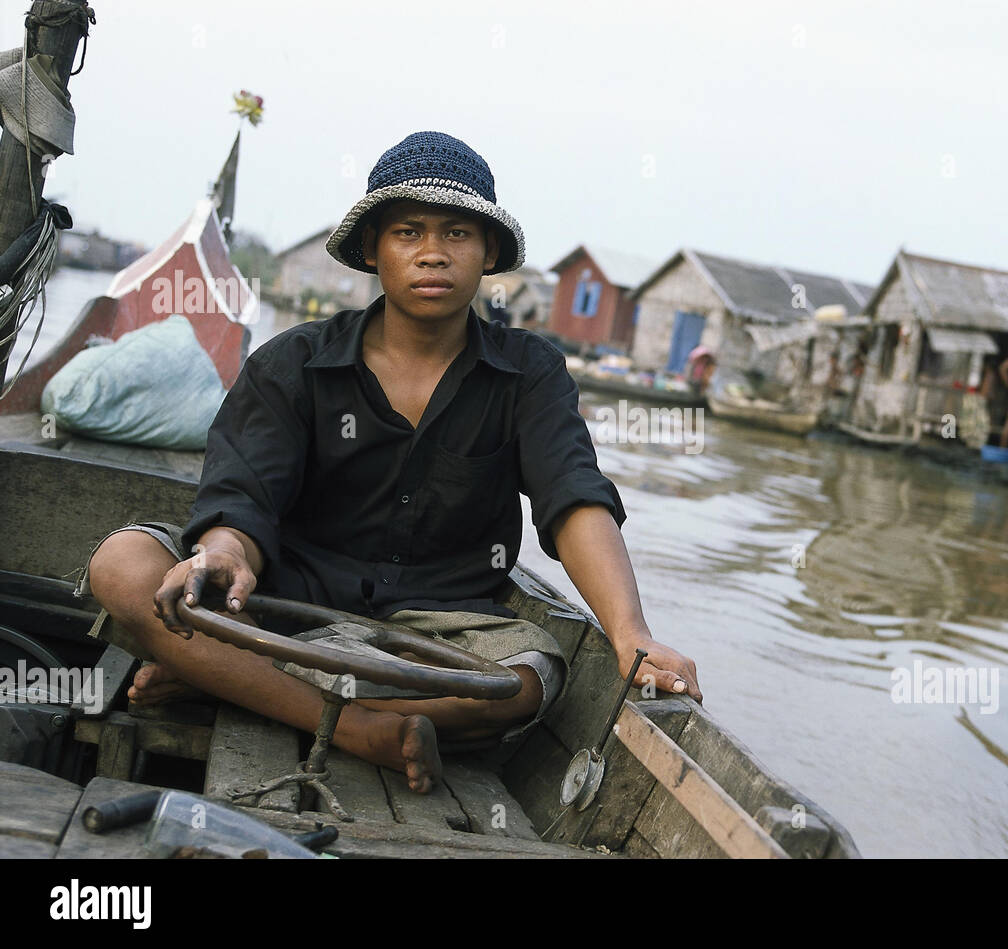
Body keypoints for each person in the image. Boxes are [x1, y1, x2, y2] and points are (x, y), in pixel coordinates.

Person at [79, 131, 702, 794]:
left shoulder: (529, 373)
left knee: (528, 679)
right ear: (373, 249)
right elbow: (244, 495)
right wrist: (227, 551)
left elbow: (573, 496)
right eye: (408, 232)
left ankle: (228, 679)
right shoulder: (295, 364)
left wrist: (630, 634)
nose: (434, 253)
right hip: (284, 604)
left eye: (458, 233)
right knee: (121, 565)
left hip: (434, 631)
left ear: (489, 251)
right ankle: (357, 728)